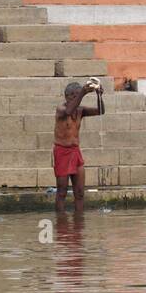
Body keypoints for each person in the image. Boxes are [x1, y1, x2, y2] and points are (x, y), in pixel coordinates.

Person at [54, 79, 104, 213]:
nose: (78, 99)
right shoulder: (61, 109)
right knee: (62, 192)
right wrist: (82, 92)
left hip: (75, 152)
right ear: (68, 96)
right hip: (61, 152)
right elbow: (69, 111)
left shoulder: (81, 110)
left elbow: (101, 111)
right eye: (75, 96)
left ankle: (78, 226)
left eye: (79, 96)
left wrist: (99, 95)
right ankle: (62, 225)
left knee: (80, 192)